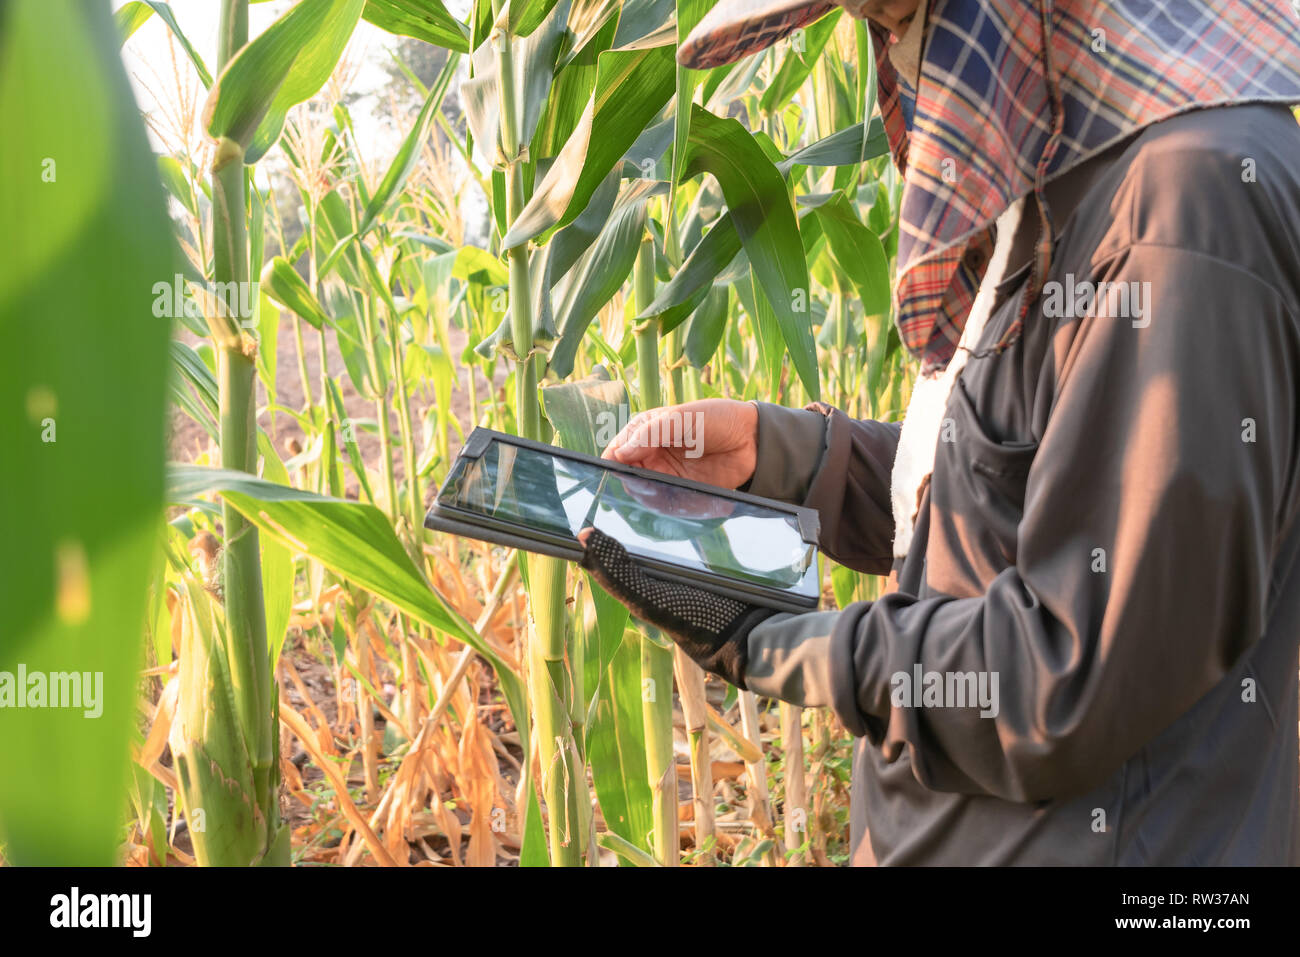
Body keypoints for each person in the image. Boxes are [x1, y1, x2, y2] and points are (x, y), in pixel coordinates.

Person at [577, 0, 1300, 864]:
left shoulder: (1183, 210)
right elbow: (1027, 490)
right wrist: (792, 457)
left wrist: (767, 640)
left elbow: (1068, 678)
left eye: (905, 20)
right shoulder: (1071, 176)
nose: (896, 56)